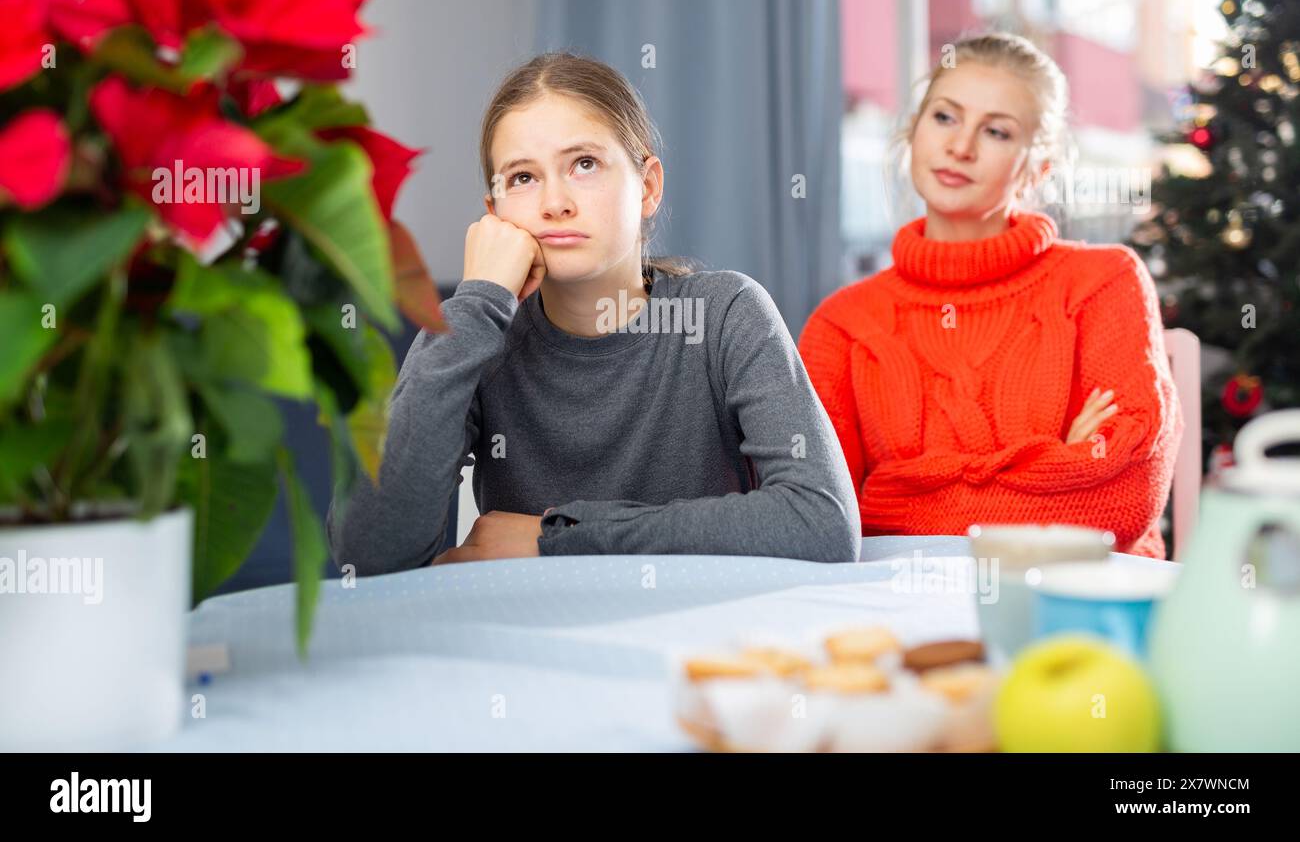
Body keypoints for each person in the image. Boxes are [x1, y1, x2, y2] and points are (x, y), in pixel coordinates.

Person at [328, 52, 860, 574]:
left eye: (584, 164)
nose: (554, 202)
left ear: (648, 187)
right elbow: (368, 550)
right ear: (494, 216)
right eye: (522, 178)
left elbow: (820, 520)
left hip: (697, 633)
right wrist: (476, 302)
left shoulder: (727, 315)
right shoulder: (471, 329)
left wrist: (557, 537)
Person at [798, 32, 1183, 559]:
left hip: (1079, 608)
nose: (961, 146)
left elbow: (1120, 503)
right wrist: (1057, 467)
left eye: (997, 131)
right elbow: (821, 521)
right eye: (944, 117)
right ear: (914, 130)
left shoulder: (1103, 282)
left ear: (1038, 168)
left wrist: (890, 494)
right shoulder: (843, 325)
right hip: (901, 612)